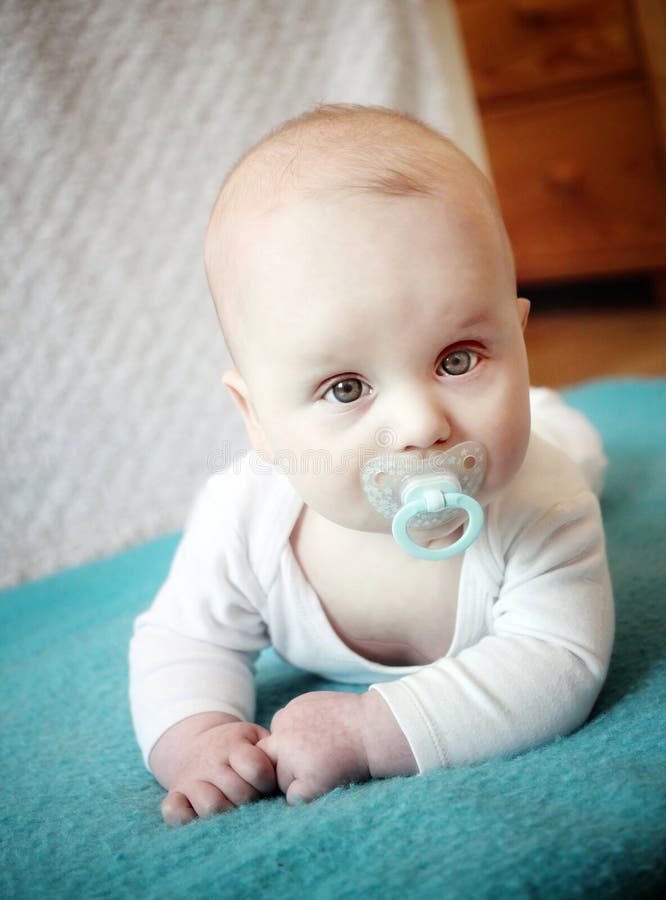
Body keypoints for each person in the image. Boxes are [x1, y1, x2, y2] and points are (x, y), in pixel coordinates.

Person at [129, 104, 614, 826]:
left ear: (518, 338)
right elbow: (182, 637)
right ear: (256, 418)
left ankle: (543, 408)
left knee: (576, 444)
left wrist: (372, 731)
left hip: (553, 448)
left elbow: (558, 663)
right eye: (346, 388)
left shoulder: (545, 501)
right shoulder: (243, 517)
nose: (421, 426)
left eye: (459, 359)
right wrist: (195, 738)